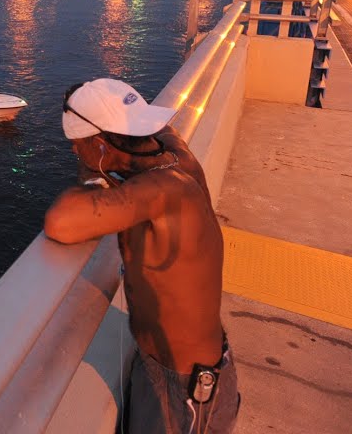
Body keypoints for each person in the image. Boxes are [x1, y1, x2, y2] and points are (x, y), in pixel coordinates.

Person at [43, 78, 239, 434]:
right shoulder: (179, 160)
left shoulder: (162, 191)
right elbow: (164, 130)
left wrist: (93, 175)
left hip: (182, 389)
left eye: (77, 146)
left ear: (99, 144)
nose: (74, 153)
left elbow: (60, 221)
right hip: (178, 369)